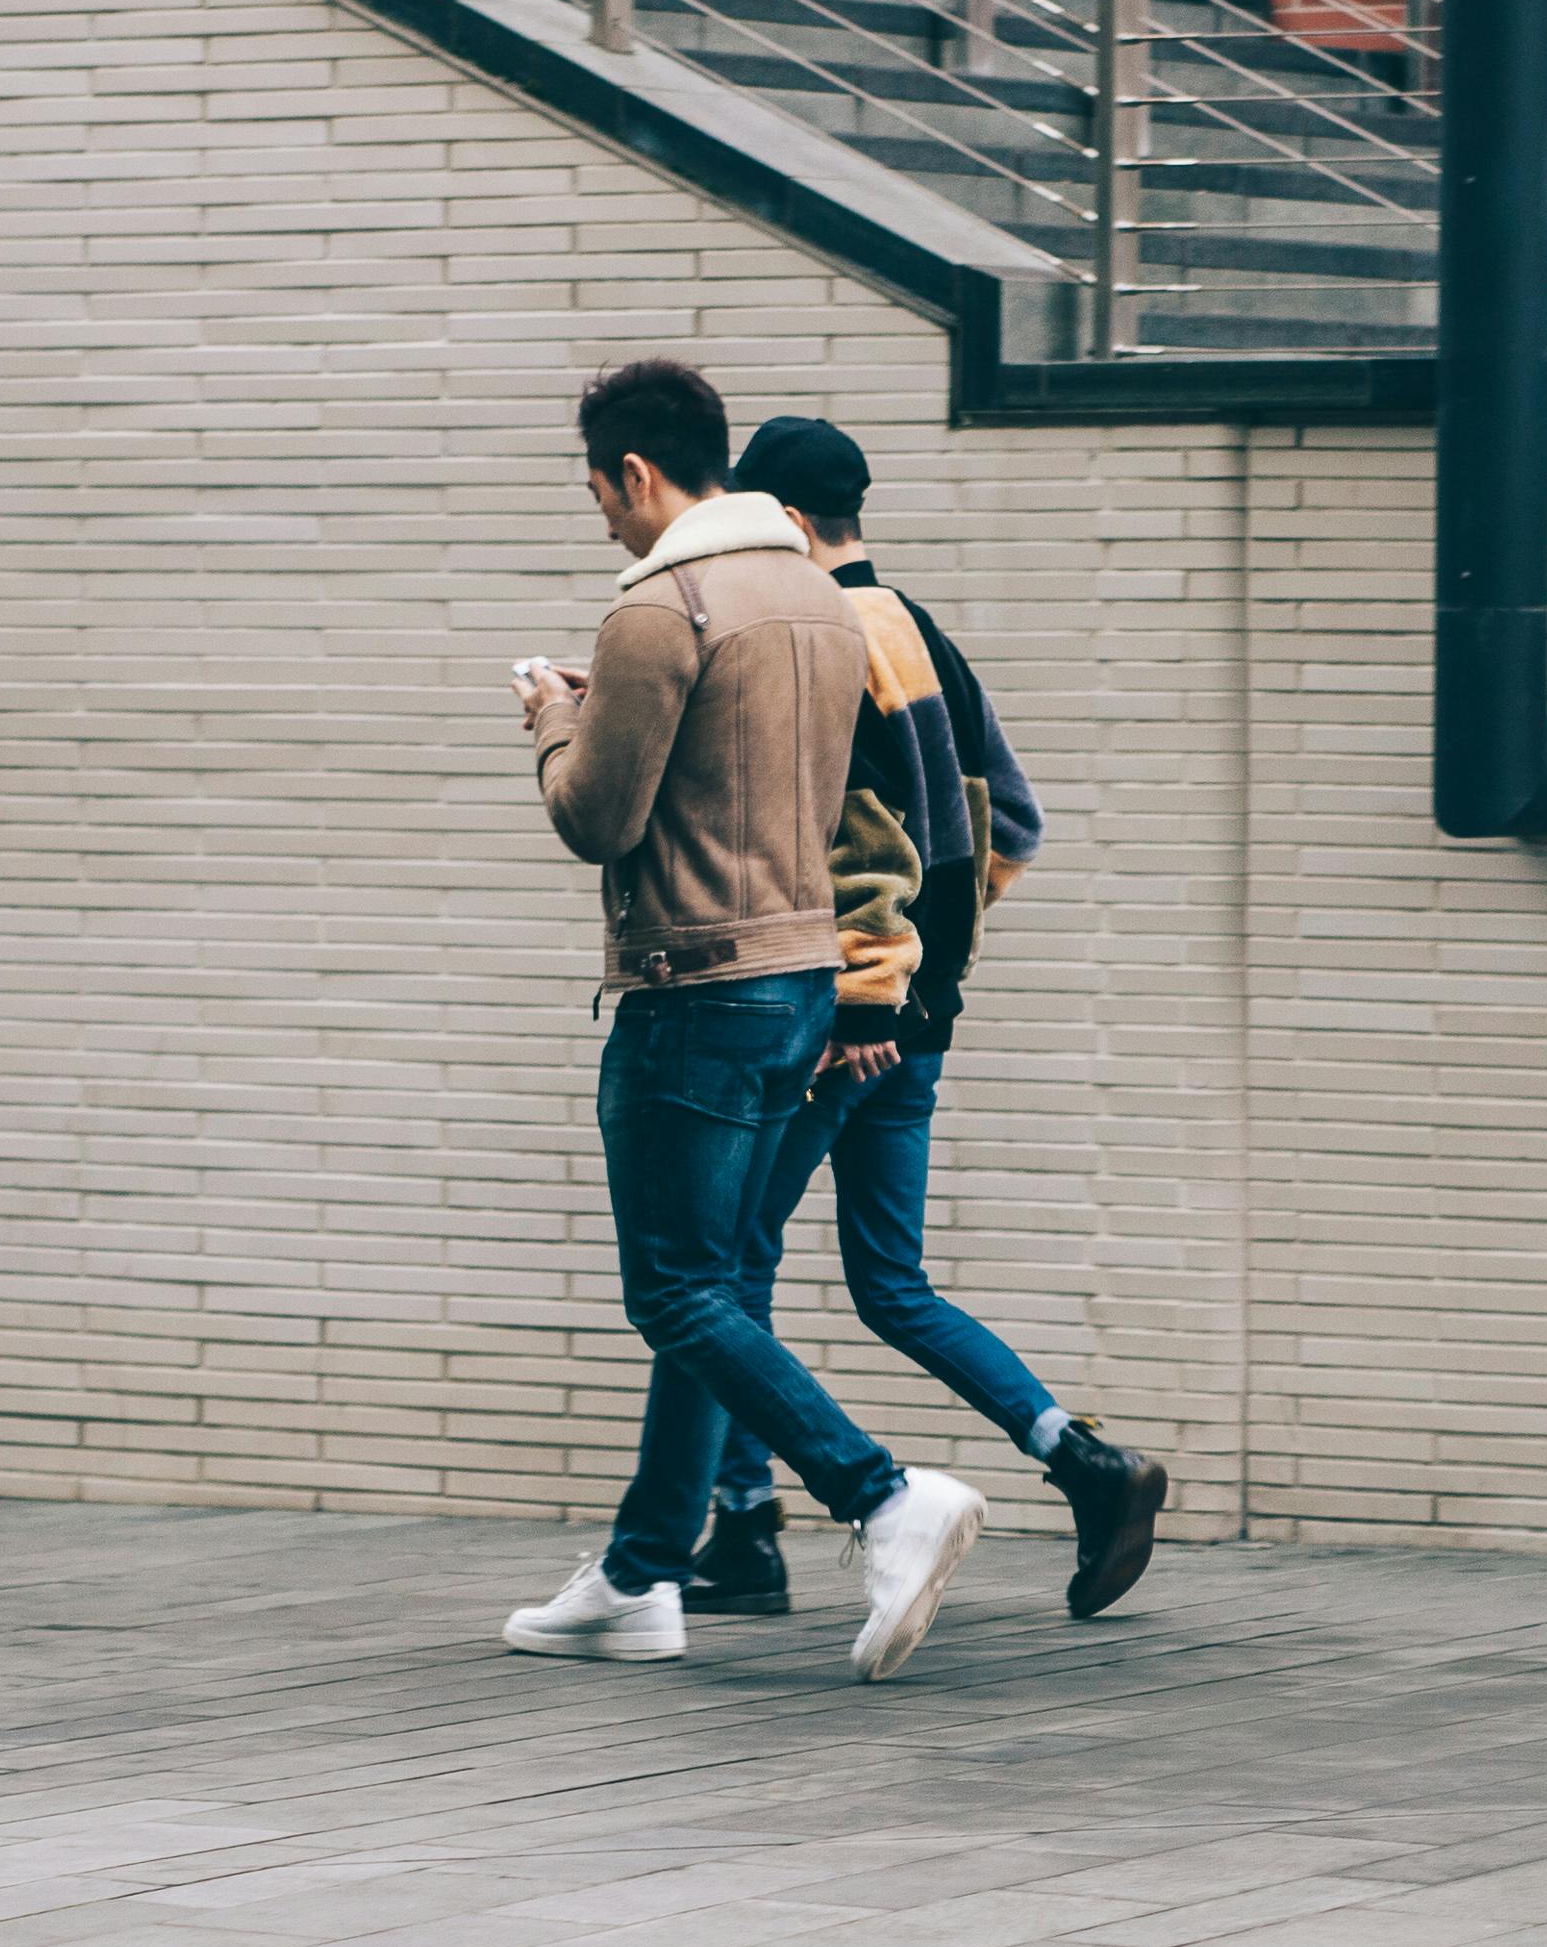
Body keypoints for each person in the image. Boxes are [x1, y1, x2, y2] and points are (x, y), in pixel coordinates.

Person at [499, 359, 987, 1681]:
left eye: (601, 490)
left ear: (640, 475)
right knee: (709, 1285)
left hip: (692, 991)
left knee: (674, 1288)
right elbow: (795, 786)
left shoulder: (662, 610)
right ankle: (642, 1575)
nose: (602, 516)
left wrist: (555, 725)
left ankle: (884, 1495)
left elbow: (599, 819)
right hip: (800, 983)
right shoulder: (818, 602)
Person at [668, 415, 1168, 1624]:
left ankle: (743, 1529)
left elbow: (881, 836)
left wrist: (870, 994)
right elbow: (1011, 829)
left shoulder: (832, 634)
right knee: (890, 1284)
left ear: (783, 520)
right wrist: (930, 988)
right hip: (907, 1021)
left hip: (850, 1023)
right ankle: (1083, 1461)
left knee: (714, 1277)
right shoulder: (923, 628)